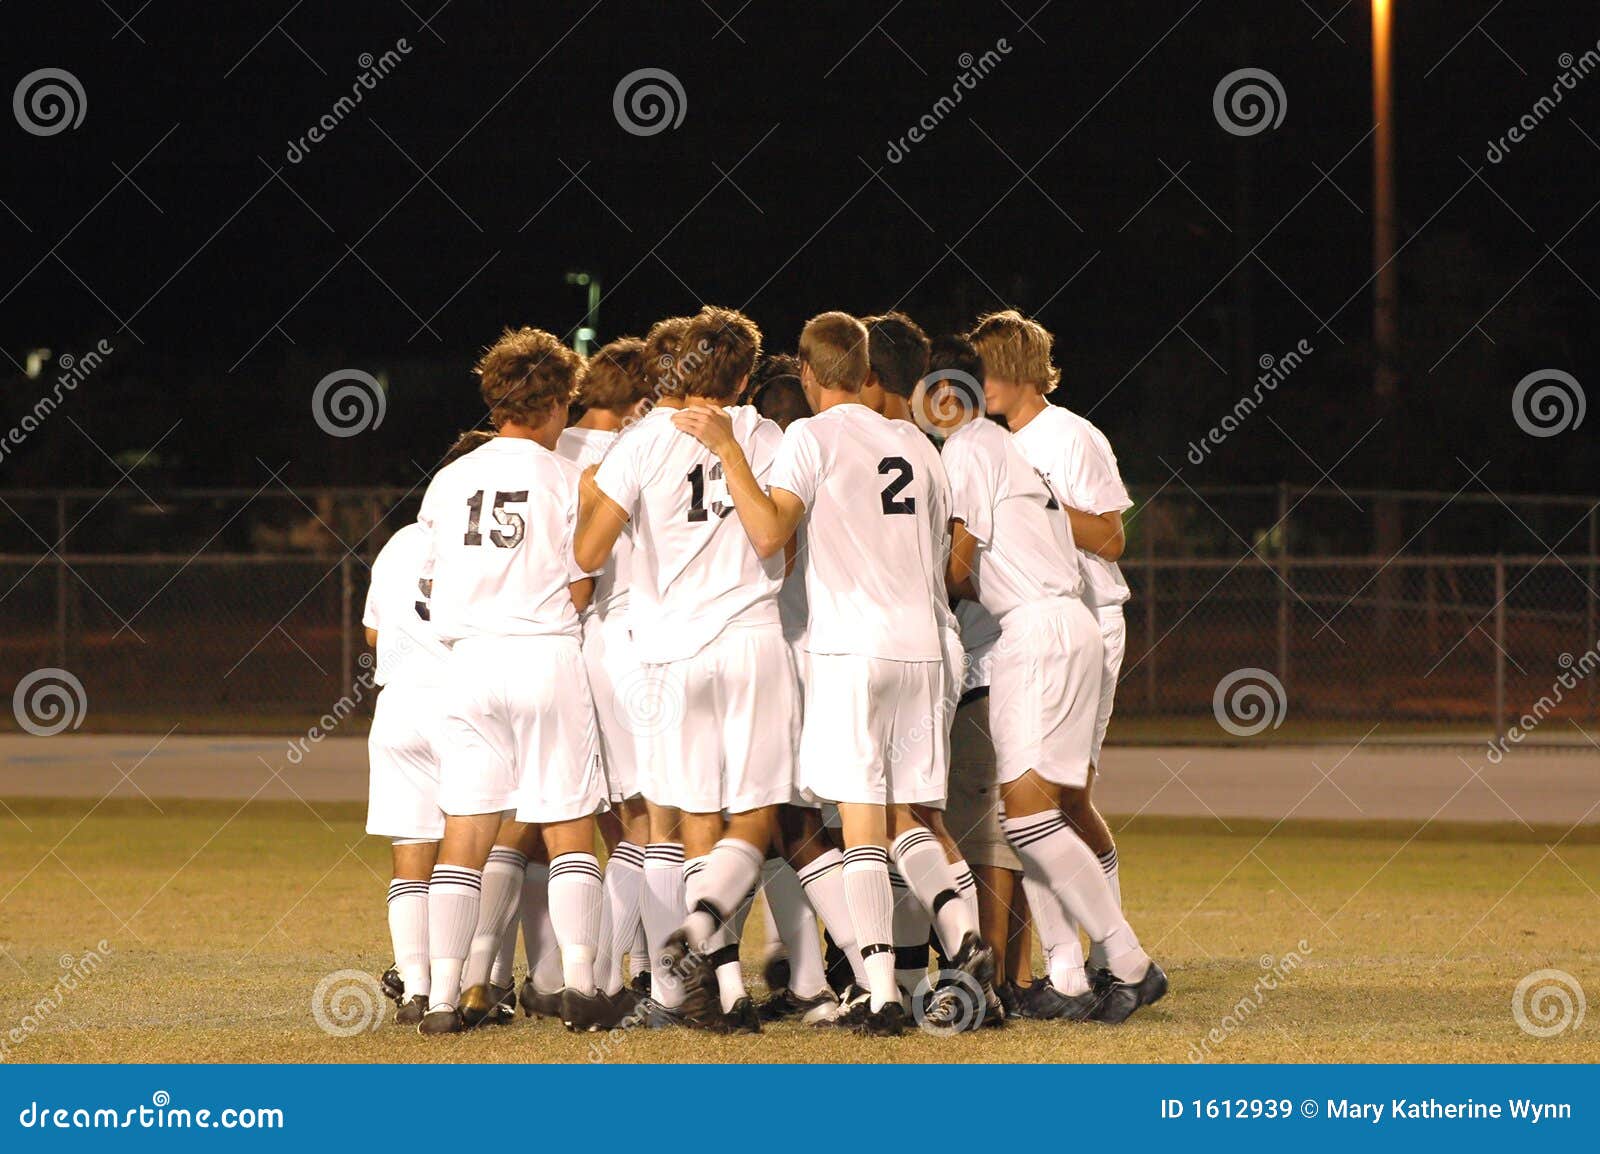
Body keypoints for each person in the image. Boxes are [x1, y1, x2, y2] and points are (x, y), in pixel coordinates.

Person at [673, 311, 995, 1036]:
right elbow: (950, 553)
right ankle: (965, 938)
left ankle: (880, 994)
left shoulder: (810, 437)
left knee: (861, 824)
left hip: (853, 648)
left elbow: (766, 530)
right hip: (926, 647)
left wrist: (728, 449)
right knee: (914, 816)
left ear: (812, 374)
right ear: (870, 370)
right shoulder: (919, 440)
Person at [577, 305, 801, 1033]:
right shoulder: (768, 434)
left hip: (667, 653)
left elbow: (585, 556)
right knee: (757, 816)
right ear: (743, 375)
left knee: (688, 822)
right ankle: (721, 980)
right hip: (749, 639)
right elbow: (777, 545)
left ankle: (709, 989)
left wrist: (602, 493)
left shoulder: (639, 442)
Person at [962, 310, 1165, 1021]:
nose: (974, 380)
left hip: (1082, 620)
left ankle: (1109, 960)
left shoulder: (1071, 435)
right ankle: (1073, 969)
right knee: (1042, 803)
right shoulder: (995, 442)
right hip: (1026, 629)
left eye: (984, 366)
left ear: (1015, 369)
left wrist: (1035, 508)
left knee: (1058, 803)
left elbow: (1110, 537)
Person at [414, 327, 608, 1036]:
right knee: (568, 826)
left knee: (465, 829)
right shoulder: (568, 477)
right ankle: (583, 986)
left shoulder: (450, 478)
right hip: (544, 654)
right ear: (555, 402)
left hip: (468, 662)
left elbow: (431, 585)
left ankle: (439, 997)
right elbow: (582, 587)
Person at [368, 429, 491, 1026]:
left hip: (396, 705)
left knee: (409, 848)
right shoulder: (482, 540)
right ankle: (457, 988)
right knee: (469, 852)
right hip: (459, 696)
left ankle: (415, 987)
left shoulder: (398, 542)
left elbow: (373, 635)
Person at [555, 337, 655, 1007]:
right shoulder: (646, 442)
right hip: (635, 629)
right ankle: (610, 974)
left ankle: (549, 975)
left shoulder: (550, 449)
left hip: (567, 643)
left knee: (599, 820)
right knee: (653, 820)